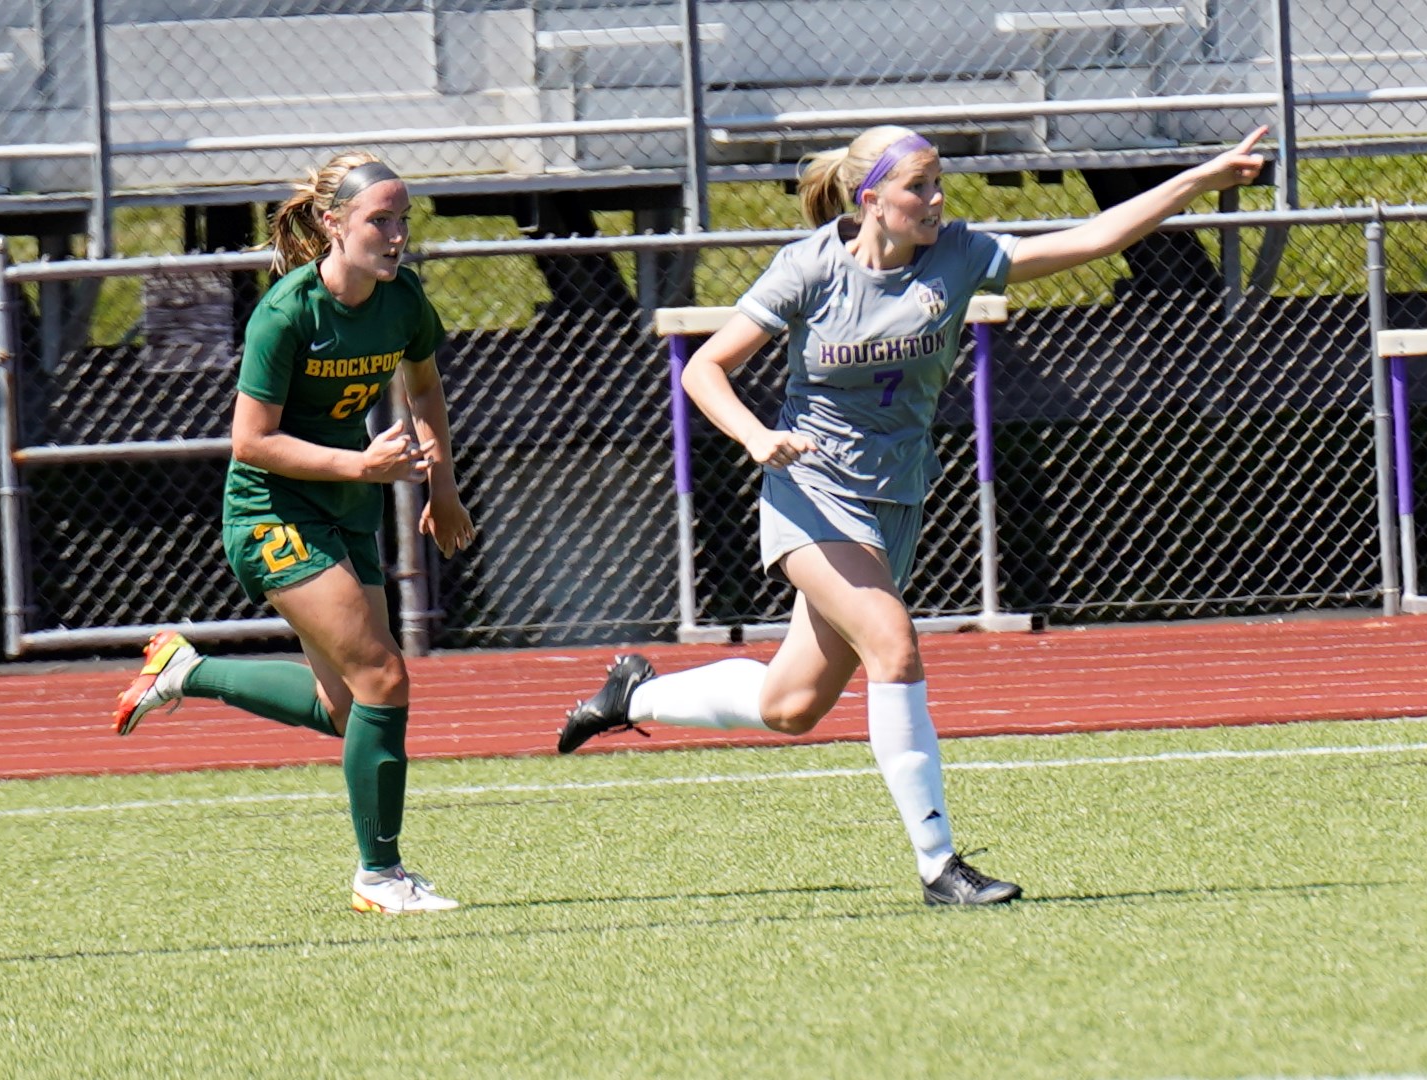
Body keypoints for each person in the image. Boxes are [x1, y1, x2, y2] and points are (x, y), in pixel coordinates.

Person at [558, 125, 1269, 906]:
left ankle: (632, 696)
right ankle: (939, 866)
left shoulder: (957, 258)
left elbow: (1092, 237)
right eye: (918, 188)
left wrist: (1198, 181)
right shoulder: (809, 269)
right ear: (871, 201)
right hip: (811, 494)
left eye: (938, 185)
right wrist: (758, 437)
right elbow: (705, 369)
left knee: (790, 705)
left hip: (895, 498)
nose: (936, 200)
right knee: (893, 650)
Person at [112, 151, 476, 915]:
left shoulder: (401, 297)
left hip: (345, 504)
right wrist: (359, 465)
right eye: (380, 219)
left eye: (404, 219)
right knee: (383, 679)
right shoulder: (287, 312)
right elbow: (249, 441)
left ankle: (188, 671)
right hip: (271, 512)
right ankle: (379, 877)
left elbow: (425, 386)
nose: (397, 235)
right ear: (330, 221)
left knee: (348, 708)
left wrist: (442, 488)